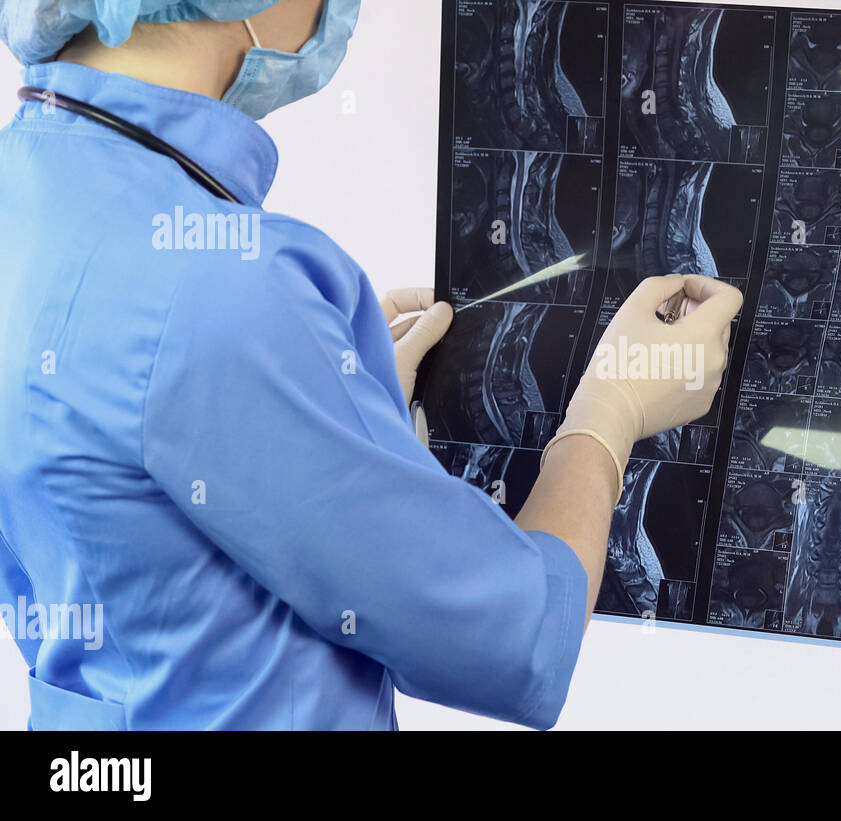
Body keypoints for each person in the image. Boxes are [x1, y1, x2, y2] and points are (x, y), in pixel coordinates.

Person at [0, 0, 742, 730]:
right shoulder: (224, 285)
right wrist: (611, 412)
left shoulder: (26, 193)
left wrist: (323, 418)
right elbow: (516, 643)